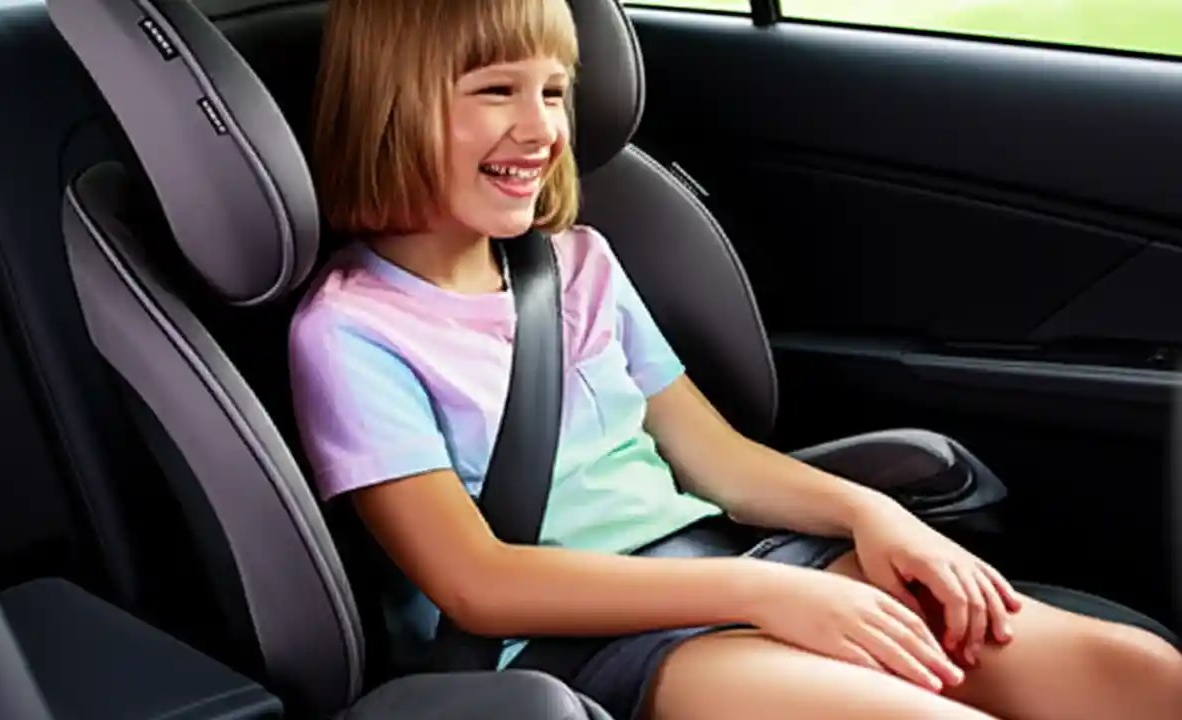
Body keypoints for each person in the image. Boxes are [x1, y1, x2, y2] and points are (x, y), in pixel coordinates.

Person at [288, 1, 1182, 718]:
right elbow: (480, 584)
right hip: (594, 640)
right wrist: (762, 596)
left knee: (1138, 676)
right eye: (495, 91)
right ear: (394, 104)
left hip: (741, 561)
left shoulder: (577, 264)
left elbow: (715, 459)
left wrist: (872, 516)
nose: (542, 128)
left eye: (555, 92)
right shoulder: (353, 334)